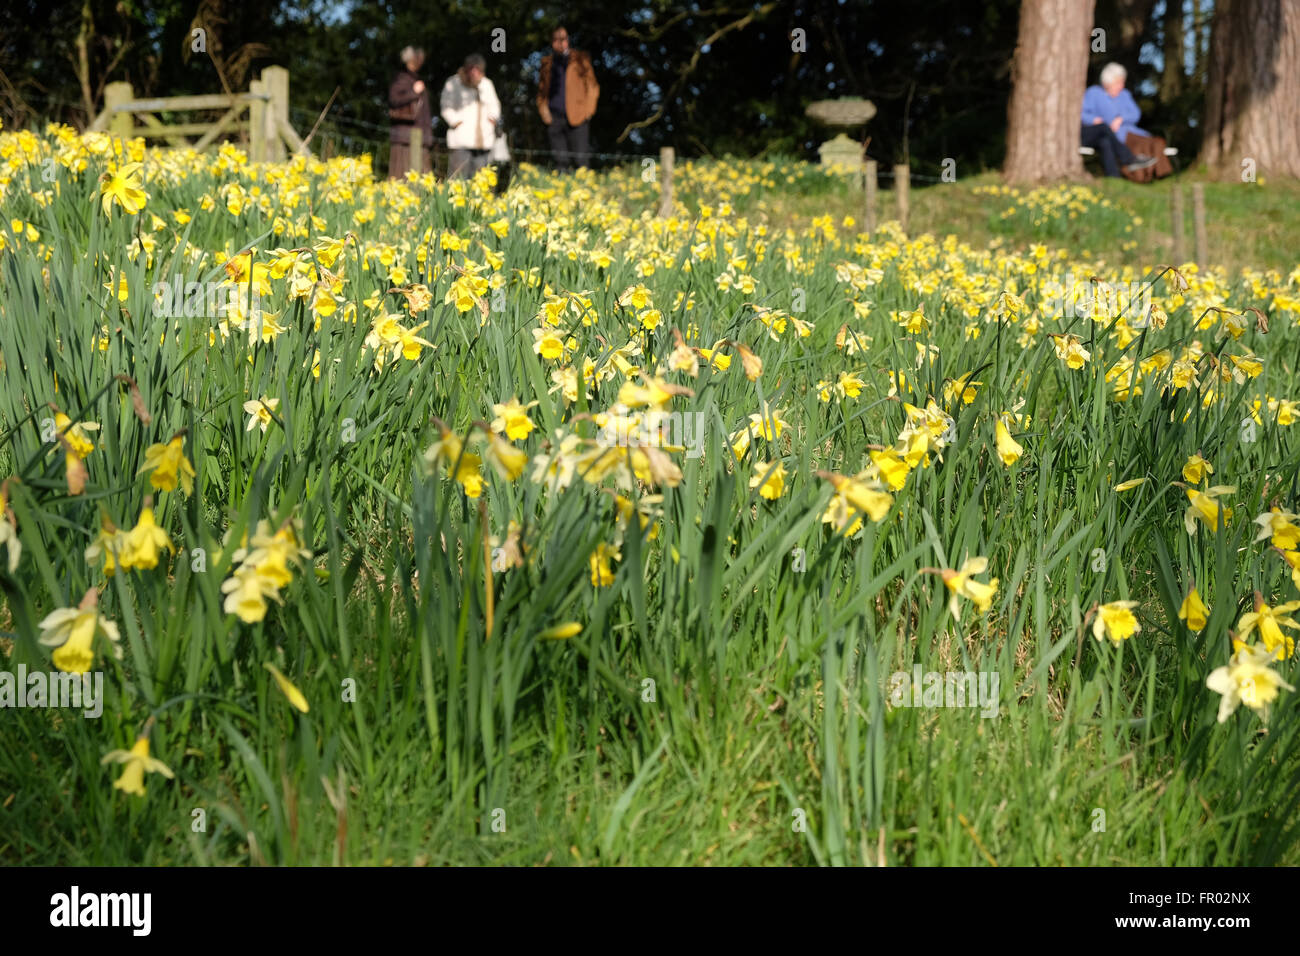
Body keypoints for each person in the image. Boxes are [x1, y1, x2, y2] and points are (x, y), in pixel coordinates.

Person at [1080, 63, 1167, 181]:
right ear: (1107, 83)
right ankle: (1130, 161)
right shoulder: (1093, 93)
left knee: (1105, 141)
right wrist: (1094, 120)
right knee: (1105, 131)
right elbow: (1081, 113)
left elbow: (1135, 114)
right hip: (1113, 135)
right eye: (1118, 83)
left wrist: (1121, 119)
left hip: (1128, 132)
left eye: (1122, 82)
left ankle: (1115, 179)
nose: (1122, 85)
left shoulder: (1124, 94)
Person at [536, 25, 599, 171]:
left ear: (568, 40)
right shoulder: (547, 63)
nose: (560, 43)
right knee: (560, 162)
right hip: (554, 118)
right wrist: (544, 112)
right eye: (556, 40)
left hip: (578, 117)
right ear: (552, 42)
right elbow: (541, 92)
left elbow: (592, 87)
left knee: (580, 160)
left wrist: (588, 112)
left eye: (563, 39)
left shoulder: (580, 59)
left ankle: (584, 190)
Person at [441, 54, 501, 180]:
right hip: (460, 141)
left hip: (484, 141)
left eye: (478, 69)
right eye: (472, 68)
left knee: (481, 180)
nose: (474, 72)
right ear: (466, 69)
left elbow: (495, 105)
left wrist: (492, 119)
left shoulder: (486, 84)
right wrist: (455, 122)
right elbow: (446, 106)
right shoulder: (454, 82)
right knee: (458, 179)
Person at [388, 46, 432, 179]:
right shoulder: (403, 78)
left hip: (416, 134)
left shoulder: (413, 78)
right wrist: (414, 92)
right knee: (403, 174)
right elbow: (394, 100)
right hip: (407, 134)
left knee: (417, 173)